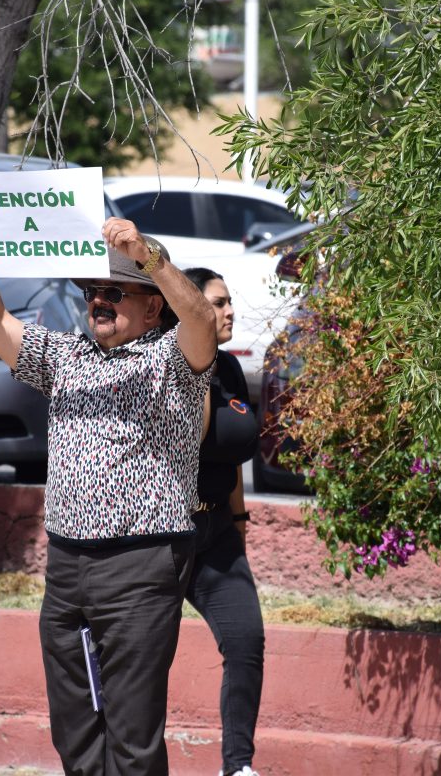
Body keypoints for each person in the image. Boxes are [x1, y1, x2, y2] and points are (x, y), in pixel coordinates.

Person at [0, 206, 216, 776]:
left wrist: (151, 259)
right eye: (92, 290)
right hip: (67, 566)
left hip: (140, 564)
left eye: (115, 290)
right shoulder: (67, 357)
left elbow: (203, 321)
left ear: (150, 307)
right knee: (74, 731)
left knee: (132, 736)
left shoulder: (172, 359)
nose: (99, 300)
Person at [183, 267, 265, 776]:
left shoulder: (231, 372)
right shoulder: (170, 369)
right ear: (190, 309)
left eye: (230, 301)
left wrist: (237, 522)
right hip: (165, 535)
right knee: (144, 655)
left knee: (246, 641)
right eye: (218, 303)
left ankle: (237, 767)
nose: (230, 310)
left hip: (217, 536)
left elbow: (233, 456)